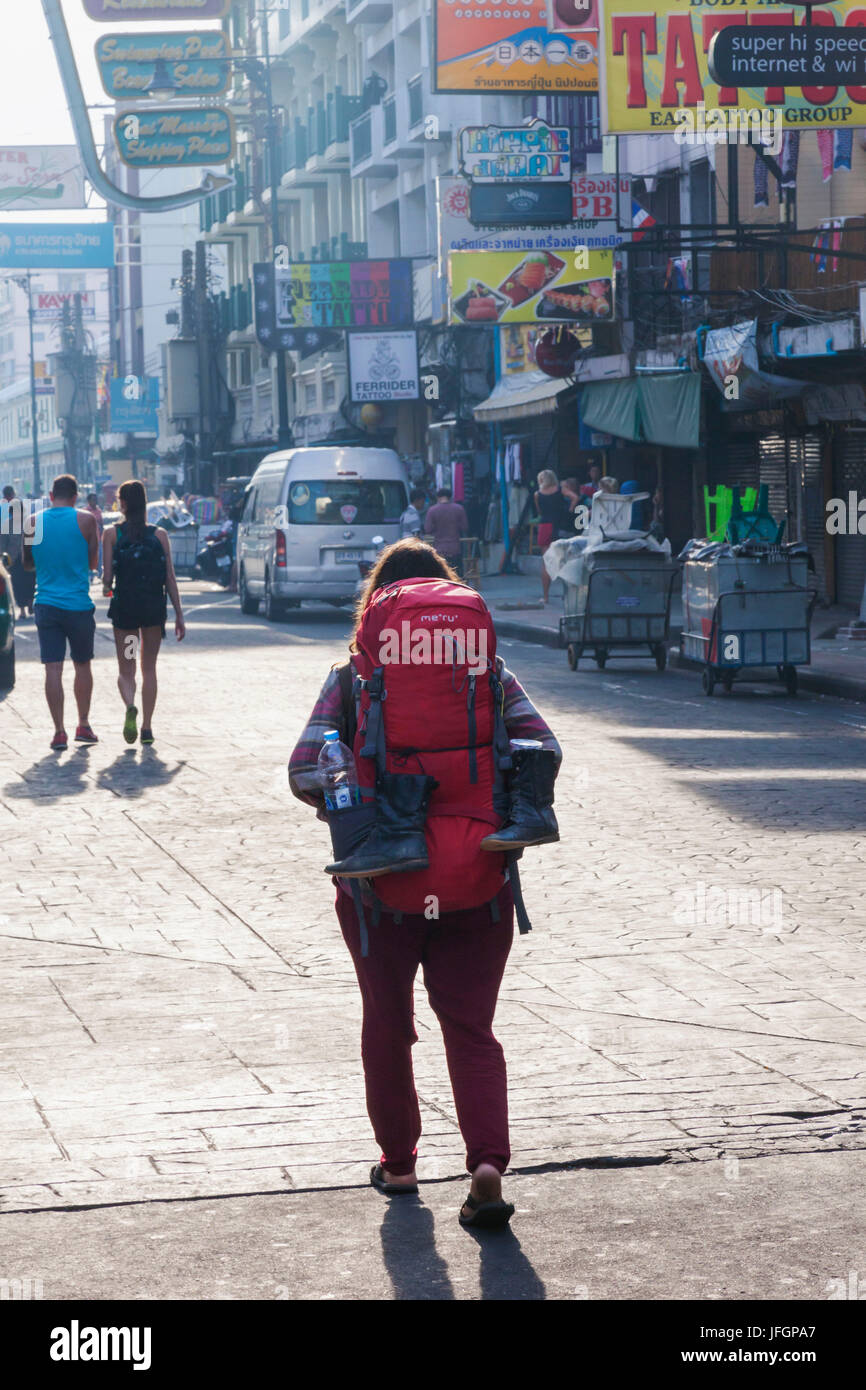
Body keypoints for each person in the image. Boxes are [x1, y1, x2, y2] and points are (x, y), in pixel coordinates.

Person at [289, 538, 561, 1229]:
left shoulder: (352, 678)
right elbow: (542, 745)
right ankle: (488, 1167)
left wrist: (347, 801)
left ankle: (401, 1164)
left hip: (381, 884)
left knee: (388, 1026)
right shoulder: (490, 675)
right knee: (472, 1029)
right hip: (479, 873)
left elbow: (304, 769)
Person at [102, 480, 186, 747]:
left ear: (122, 504)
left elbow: (107, 578)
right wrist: (180, 615)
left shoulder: (111, 534)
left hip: (126, 612)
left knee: (127, 669)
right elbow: (170, 578)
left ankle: (130, 705)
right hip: (153, 611)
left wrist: (107, 589)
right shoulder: (160, 535)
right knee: (149, 668)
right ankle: (147, 727)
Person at [22, 474, 99, 751]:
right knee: (82, 665)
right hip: (78, 605)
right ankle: (84, 724)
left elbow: (27, 563)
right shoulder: (87, 520)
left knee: (52, 668)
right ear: (75, 497)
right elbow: (93, 564)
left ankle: (58, 732)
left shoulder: (32, 522)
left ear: (51, 496)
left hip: (46, 603)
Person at [534, 470, 571, 603]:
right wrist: (570, 510)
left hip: (544, 527)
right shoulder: (560, 490)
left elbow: (539, 511)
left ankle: (545, 597)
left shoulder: (537, 494)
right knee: (564, 560)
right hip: (558, 526)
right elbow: (575, 497)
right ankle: (568, 594)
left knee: (546, 562)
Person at [2, 486, 35, 620]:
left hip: (29, 558)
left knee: (31, 582)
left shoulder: (30, 522)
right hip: (13, 560)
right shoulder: (7, 525)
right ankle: (22, 609)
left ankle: (30, 603)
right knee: (17, 584)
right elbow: (2, 544)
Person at [424, 487, 468, 576]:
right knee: (458, 575)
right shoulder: (459, 509)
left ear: (438, 497)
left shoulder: (432, 510)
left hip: (439, 549)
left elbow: (428, 529)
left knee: (443, 576)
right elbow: (465, 527)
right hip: (455, 548)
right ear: (450, 497)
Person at [83, 493, 104, 581]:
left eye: (96, 499)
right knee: (89, 556)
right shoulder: (85, 511)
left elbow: (101, 524)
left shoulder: (99, 510)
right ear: (89, 501)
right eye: (93, 500)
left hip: (98, 537)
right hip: (88, 538)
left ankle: (99, 574)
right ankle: (90, 575)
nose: (95, 501)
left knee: (99, 556)